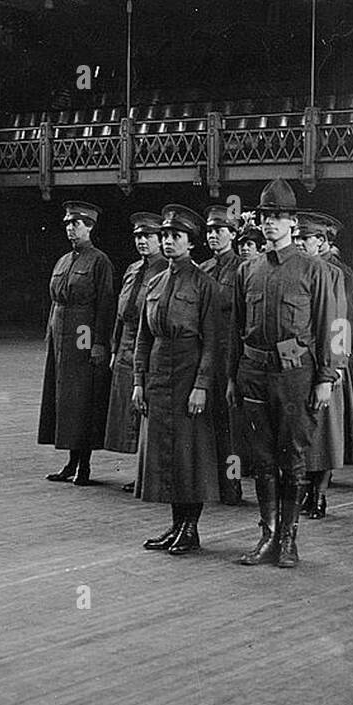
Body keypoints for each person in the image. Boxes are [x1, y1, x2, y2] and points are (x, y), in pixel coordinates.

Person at [228, 178, 338, 569]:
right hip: (254, 374)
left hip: (296, 377)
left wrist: (325, 378)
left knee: (292, 458)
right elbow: (236, 329)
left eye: (278, 216)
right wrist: (232, 378)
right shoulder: (248, 270)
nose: (270, 222)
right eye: (265, 216)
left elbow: (327, 327)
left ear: (293, 223)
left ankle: (289, 540)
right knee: (261, 461)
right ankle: (268, 536)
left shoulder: (313, 269)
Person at [132, 206, 222, 553]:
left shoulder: (205, 284)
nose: (169, 241)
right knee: (165, 452)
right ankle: (175, 525)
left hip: (188, 371)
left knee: (189, 453)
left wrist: (201, 385)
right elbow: (143, 337)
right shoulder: (155, 283)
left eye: (176, 236)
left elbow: (212, 341)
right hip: (158, 372)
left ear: (191, 242)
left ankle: (190, 528)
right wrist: (138, 381)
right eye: (166, 236)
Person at [39, 200, 116, 486]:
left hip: (82, 337)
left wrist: (99, 344)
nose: (70, 229)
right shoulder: (63, 260)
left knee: (82, 401)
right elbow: (54, 302)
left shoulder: (99, 261)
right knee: (65, 403)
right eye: (68, 224)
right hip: (61, 340)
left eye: (76, 224)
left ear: (90, 227)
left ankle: (84, 465)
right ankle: (71, 462)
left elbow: (105, 305)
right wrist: (50, 336)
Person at [294, 213, 353, 518]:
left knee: (324, 433)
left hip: (326, 362)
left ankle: (318, 495)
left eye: (304, 238)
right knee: (305, 433)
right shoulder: (294, 270)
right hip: (298, 361)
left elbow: (341, 322)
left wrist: (338, 365)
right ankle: (305, 492)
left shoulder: (335, 273)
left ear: (320, 241)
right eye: (296, 237)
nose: (298, 243)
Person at [103, 211, 170, 492]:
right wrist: (114, 349)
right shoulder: (132, 270)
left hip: (150, 345)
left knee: (148, 411)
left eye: (148, 236)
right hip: (127, 345)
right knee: (129, 412)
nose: (142, 241)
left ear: (160, 239)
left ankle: (150, 473)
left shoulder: (165, 271)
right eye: (138, 236)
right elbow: (120, 315)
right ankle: (140, 471)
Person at [200, 204, 245, 505]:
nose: (213, 235)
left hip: (231, 356)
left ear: (233, 234)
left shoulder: (242, 269)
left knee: (231, 427)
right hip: (206, 355)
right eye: (210, 231)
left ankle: (232, 484)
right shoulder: (203, 269)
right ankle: (211, 482)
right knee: (208, 423)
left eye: (219, 230)